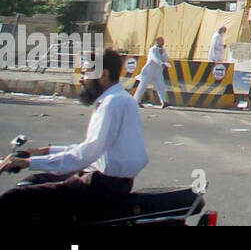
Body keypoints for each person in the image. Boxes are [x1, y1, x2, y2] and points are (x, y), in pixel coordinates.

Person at [0, 49, 149, 223]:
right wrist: (43, 151)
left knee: (13, 198)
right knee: (33, 181)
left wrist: (27, 162)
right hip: (107, 181)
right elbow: (91, 149)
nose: (82, 78)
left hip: (101, 186)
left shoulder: (112, 103)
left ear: (103, 75)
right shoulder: (120, 98)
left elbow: (85, 154)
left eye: (86, 73)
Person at [134, 37, 171, 108]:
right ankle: (136, 101)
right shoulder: (152, 49)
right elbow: (154, 58)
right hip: (149, 71)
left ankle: (163, 101)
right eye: (161, 41)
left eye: (163, 41)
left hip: (158, 71)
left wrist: (163, 55)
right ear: (157, 41)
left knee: (161, 86)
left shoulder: (163, 50)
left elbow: (166, 58)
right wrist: (161, 63)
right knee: (142, 86)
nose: (163, 43)